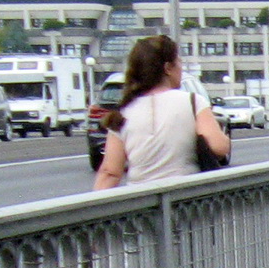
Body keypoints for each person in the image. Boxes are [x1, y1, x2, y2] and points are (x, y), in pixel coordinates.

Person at [92, 33, 230, 190]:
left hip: (144, 204)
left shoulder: (123, 112)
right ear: (168, 68)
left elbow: (110, 172)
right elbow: (219, 147)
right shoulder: (192, 101)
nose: (181, 68)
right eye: (179, 62)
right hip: (186, 199)